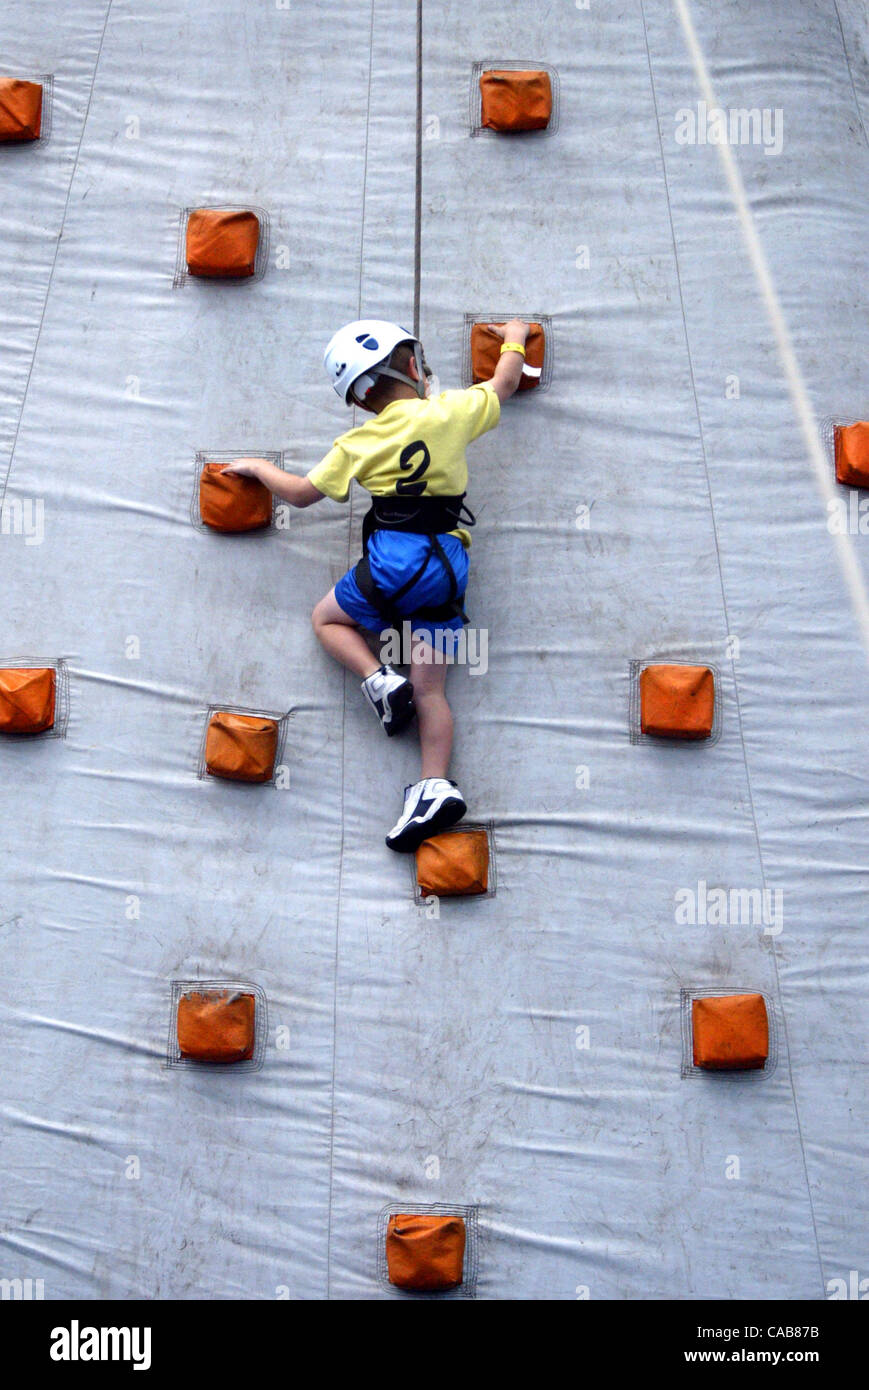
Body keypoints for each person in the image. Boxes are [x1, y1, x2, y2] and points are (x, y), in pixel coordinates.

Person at [223, 317, 529, 850]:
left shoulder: (358, 442)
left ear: (363, 401)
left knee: (326, 618)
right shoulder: (451, 411)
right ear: (414, 368)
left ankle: (379, 679)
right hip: (447, 569)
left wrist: (258, 468)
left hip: (392, 564)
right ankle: (434, 784)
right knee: (432, 689)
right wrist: (517, 336)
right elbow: (504, 382)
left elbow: (297, 493)